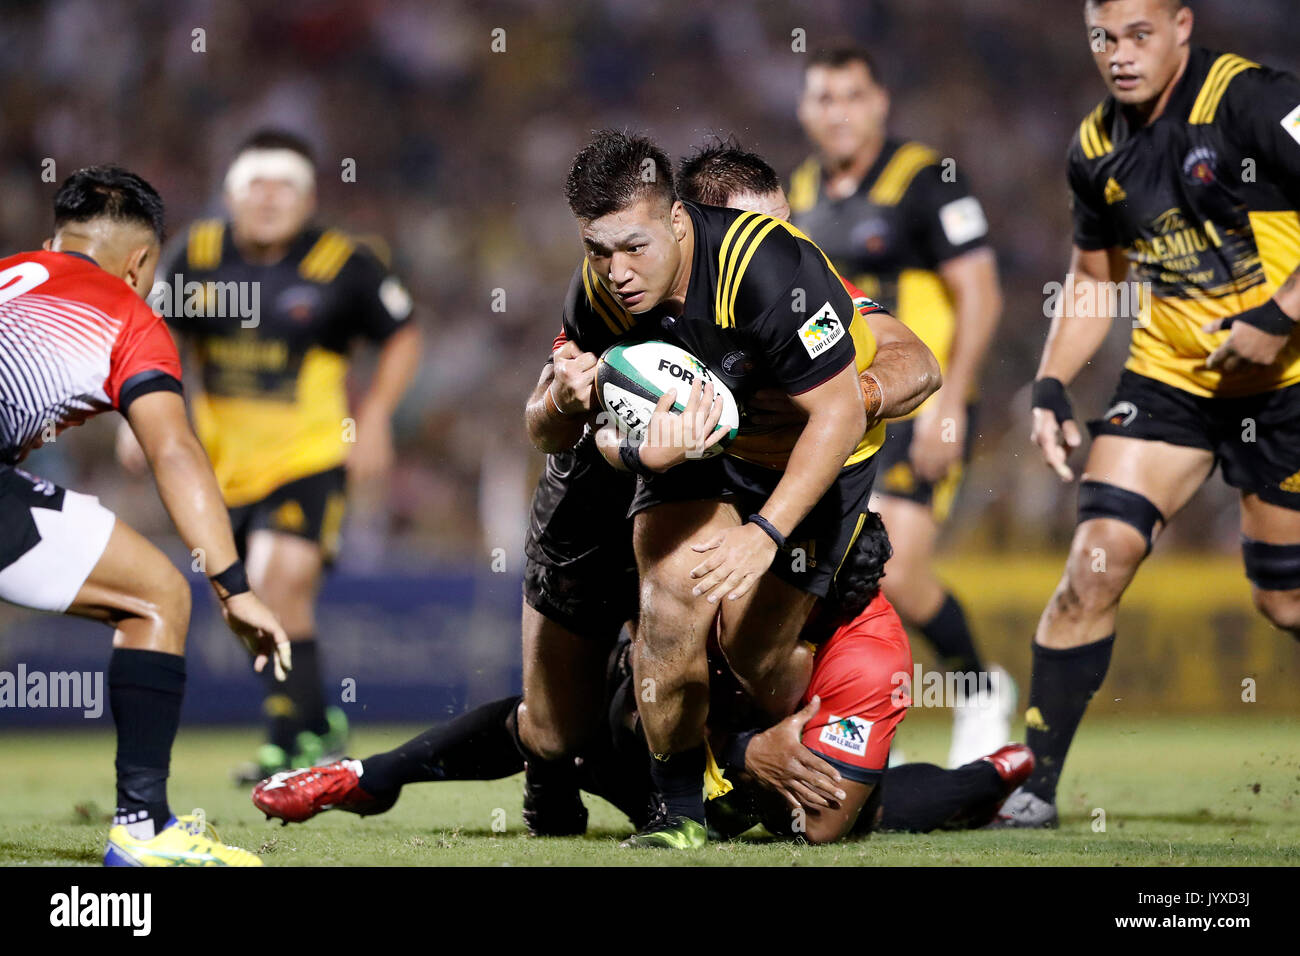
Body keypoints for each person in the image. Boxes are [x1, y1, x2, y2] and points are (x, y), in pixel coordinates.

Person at [511, 140, 940, 838]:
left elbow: (849, 408)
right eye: (598, 249)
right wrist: (569, 403)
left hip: (818, 462)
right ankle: (678, 814)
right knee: (671, 597)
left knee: (752, 654)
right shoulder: (601, 291)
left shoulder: (771, 266)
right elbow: (560, 431)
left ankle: (796, 738)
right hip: (709, 459)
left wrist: (764, 532)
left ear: (679, 221)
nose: (617, 272)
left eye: (633, 248)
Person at [251, 512, 1035, 842]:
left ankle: (982, 780)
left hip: (735, 796)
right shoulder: (733, 557)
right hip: (674, 733)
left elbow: (818, 824)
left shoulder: (869, 657)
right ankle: (369, 774)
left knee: (854, 815)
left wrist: (748, 758)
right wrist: (750, 741)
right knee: (563, 719)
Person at [1007, 0, 1300, 827]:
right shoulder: (1096, 147)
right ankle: (1035, 789)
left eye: (1139, 35)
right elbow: (1096, 278)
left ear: (1181, 25)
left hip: (1286, 386)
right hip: (1171, 383)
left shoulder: (1255, 101)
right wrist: (1053, 383)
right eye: (1104, 37)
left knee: (1283, 603)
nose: (1120, 55)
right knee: (1090, 569)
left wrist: (1278, 316)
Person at [0, 165, 289, 866]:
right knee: (157, 596)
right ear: (140, 264)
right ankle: (143, 828)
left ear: (53, 240)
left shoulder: (10, 270)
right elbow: (176, 451)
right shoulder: (127, 311)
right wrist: (233, 586)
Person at [120, 129, 422, 782]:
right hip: (217, 468)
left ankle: (290, 738)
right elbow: (153, 331)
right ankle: (312, 725)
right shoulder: (195, 254)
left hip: (310, 458)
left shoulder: (345, 262)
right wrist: (134, 413)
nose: (268, 198)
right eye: (255, 183)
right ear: (230, 192)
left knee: (275, 578)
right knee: (247, 601)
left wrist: (373, 419)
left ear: (309, 197)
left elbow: (401, 336)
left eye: (284, 184)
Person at [791, 47, 1011, 767]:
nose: (838, 112)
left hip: (918, 404)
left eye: (851, 96)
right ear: (804, 111)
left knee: (894, 567)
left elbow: (979, 292)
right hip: (840, 412)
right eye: (824, 98)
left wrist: (952, 402)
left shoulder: (927, 181)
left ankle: (980, 690)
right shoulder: (797, 194)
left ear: (880, 102)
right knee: (829, 569)